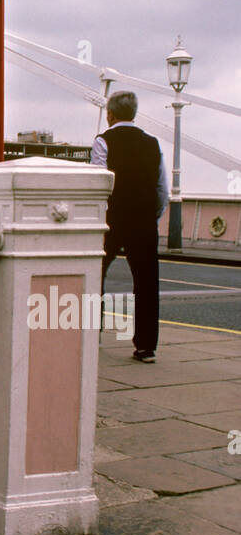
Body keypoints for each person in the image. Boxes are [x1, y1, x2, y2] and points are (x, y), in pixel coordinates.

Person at [90, 90, 169, 363]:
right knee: (146, 284)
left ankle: (91, 337)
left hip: (111, 220)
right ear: (134, 113)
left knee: (94, 276)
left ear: (110, 114)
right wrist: (152, 217)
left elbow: (99, 185)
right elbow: (162, 189)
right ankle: (146, 347)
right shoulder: (153, 143)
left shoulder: (103, 140)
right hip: (144, 222)